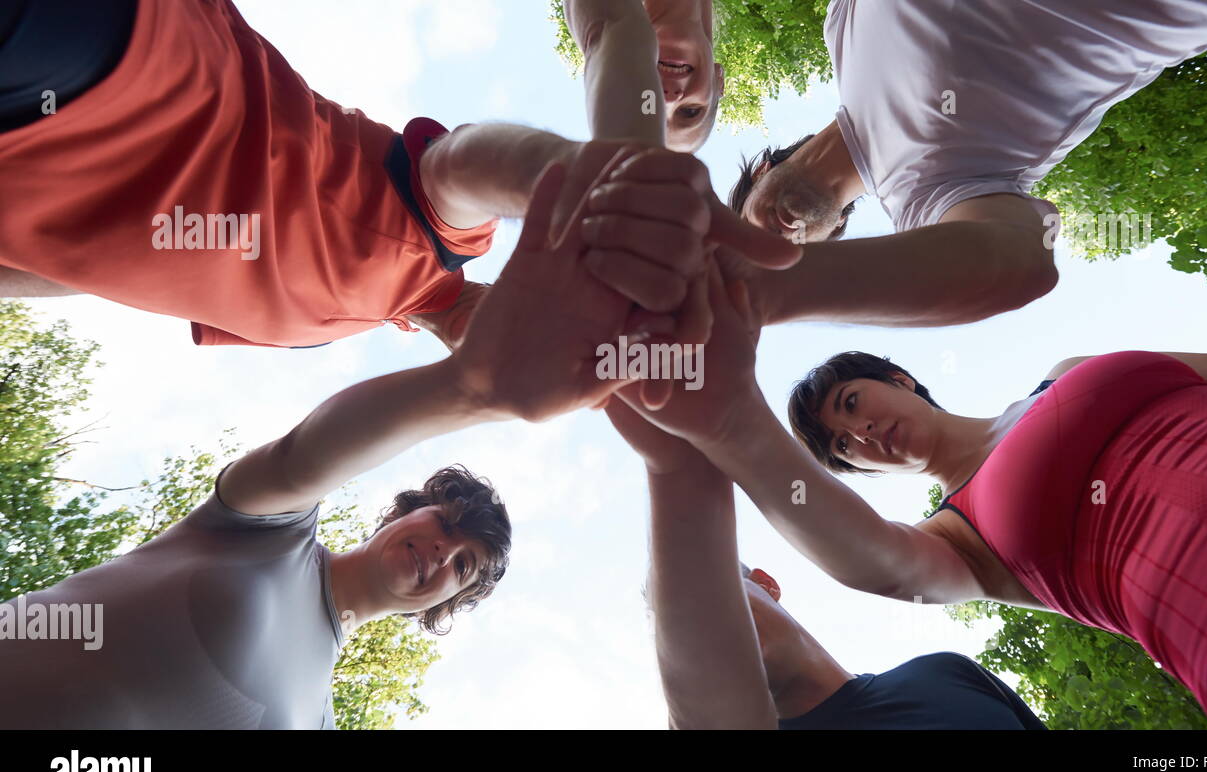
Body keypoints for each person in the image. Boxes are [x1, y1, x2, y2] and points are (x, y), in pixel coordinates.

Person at [0, 152, 673, 729]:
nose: (442, 553)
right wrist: (474, 388)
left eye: (462, 567)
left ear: (445, 605)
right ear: (402, 513)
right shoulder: (272, 532)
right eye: (444, 524)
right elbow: (304, 458)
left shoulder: (318, 716)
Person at [614, 271, 1207, 730]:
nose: (859, 431)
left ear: (899, 376)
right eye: (842, 446)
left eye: (851, 403)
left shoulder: (1065, 375)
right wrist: (729, 417)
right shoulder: (954, 539)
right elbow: (874, 560)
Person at [0, 0, 790, 352]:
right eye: (686, 112)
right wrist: (593, 185)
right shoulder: (449, 243)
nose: (672, 99)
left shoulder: (321, 330)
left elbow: (116, 272)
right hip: (122, 63)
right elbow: (472, 162)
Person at [727, 0, 1207, 320]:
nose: (782, 238)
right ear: (835, 236)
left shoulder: (842, 27)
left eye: (753, 233)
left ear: (758, 176)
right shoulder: (926, 198)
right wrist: (761, 297)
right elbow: (1017, 262)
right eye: (790, 255)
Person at [605, 347, 1045, 730]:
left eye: (711, 600)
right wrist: (676, 461)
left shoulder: (947, 675)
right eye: (678, 630)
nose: (706, 630)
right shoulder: (958, 541)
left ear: (767, 585)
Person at [564, 0, 723, 153]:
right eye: (689, 112)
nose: (668, 99)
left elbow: (612, 28)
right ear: (719, 82)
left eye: (646, 102)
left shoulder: (621, 34)